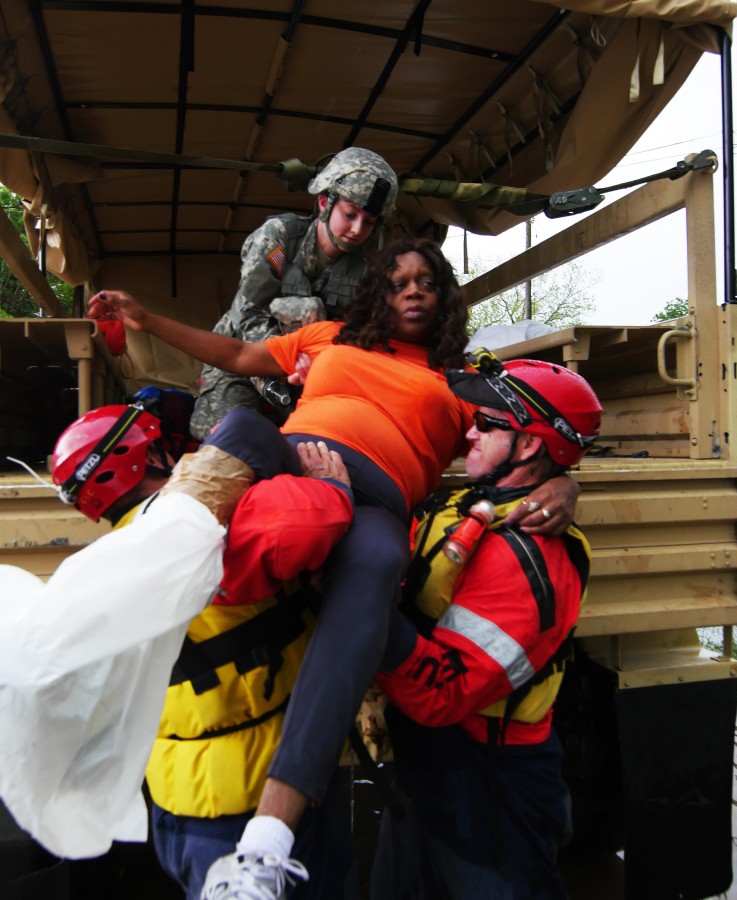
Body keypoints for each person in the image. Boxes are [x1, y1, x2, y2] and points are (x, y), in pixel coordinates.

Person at [89, 238, 581, 899]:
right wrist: (146, 321)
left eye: (426, 283)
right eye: (398, 281)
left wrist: (567, 486)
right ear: (378, 292)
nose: (412, 291)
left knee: (378, 567)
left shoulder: (459, 378)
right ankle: (116, 585)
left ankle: (267, 844)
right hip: (281, 455)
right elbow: (235, 356)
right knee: (238, 423)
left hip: (373, 499)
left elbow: (535, 428)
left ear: (444, 299)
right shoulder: (328, 337)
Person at [51, 403, 360, 898]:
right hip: (252, 813)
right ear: (152, 453)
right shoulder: (202, 533)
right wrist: (333, 488)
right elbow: (306, 523)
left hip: (178, 809)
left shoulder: (107, 564)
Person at [371, 353, 602, 900]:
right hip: (429, 767)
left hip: (493, 784)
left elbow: (440, 693)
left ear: (528, 445)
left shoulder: (529, 561)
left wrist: (358, 610)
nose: (469, 433)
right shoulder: (463, 502)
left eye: (488, 424)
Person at [188, 147, 398, 440]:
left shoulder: (371, 266)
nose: (357, 229)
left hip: (311, 375)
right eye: (350, 215)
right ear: (325, 202)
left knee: (326, 445)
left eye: (370, 222)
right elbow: (248, 316)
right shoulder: (279, 239)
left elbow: (362, 335)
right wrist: (287, 357)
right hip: (240, 362)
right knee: (230, 439)